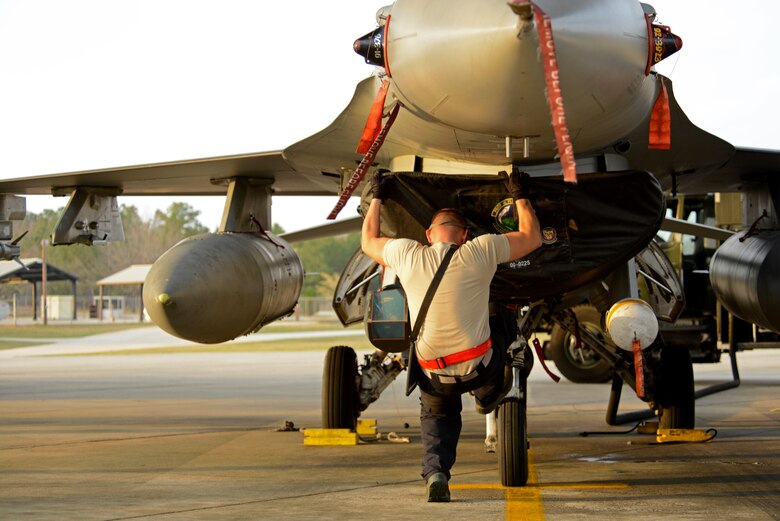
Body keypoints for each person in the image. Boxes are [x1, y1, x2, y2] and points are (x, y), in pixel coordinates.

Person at [360, 169, 542, 502]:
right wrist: (520, 195)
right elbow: (532, 238)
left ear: (429, 235)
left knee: (437, 416)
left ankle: (437, 474)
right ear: (465, 235)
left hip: (433, 371)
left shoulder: (406, 253)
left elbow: (368, 241)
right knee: (503, 315)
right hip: (479, 366)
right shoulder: (480, 251)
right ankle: (489, 397)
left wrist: (377, 197)